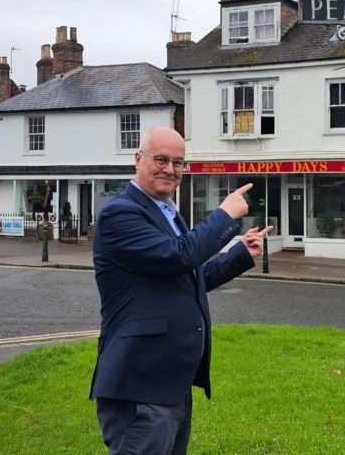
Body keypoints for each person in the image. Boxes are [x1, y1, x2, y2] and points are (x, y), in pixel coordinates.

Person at [90, 126, 272, 454]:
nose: (170, 169)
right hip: (139, 385)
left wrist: (240, 253)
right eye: (161, 159)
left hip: (170, 382)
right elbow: (179, 256)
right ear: (137, 159)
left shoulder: (169, 215)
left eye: (178, 163)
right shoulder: (120, 213)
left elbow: (189, 275)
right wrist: (224, 214)